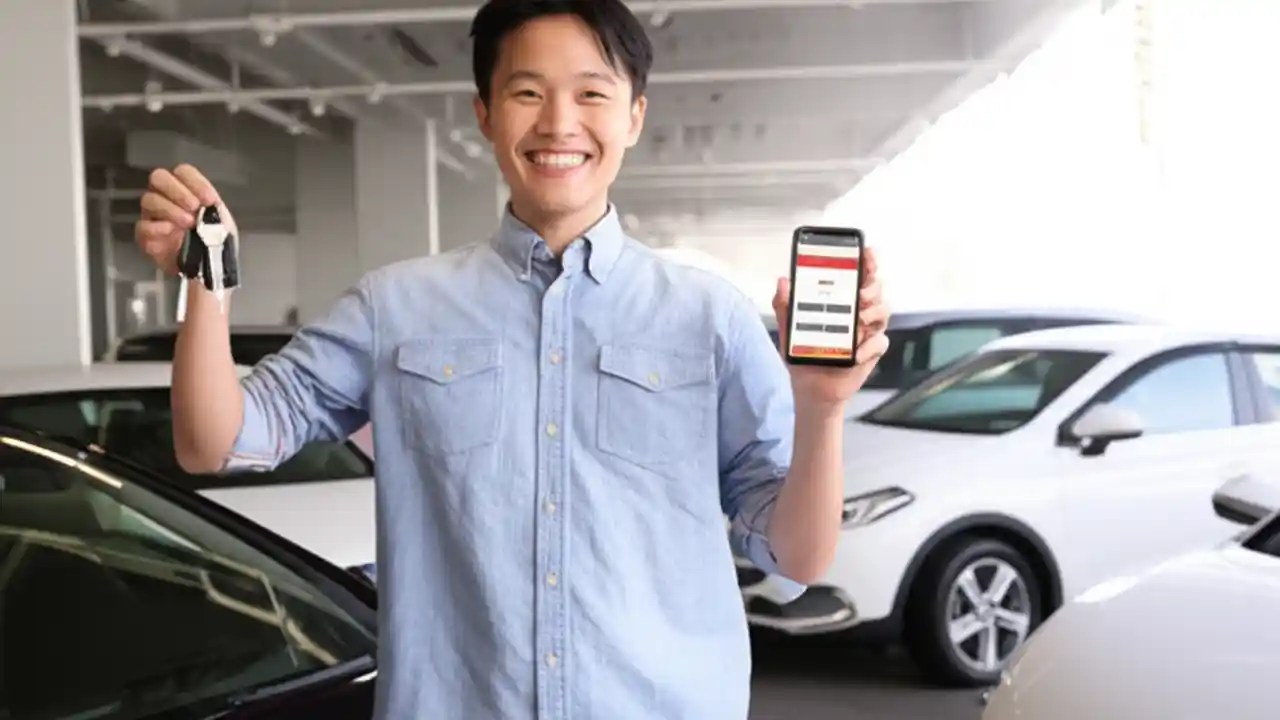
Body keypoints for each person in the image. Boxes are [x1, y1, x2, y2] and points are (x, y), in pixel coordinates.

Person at [133, 0, 890, 718]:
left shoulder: (708, 317)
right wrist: (209, 284)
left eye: (592, 93)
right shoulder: (395, 308)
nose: (559, 122)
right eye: (528, 92)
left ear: (633, 117)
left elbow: (798, 555)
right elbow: (216, 441)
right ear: (485, 114)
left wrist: (823, 408)